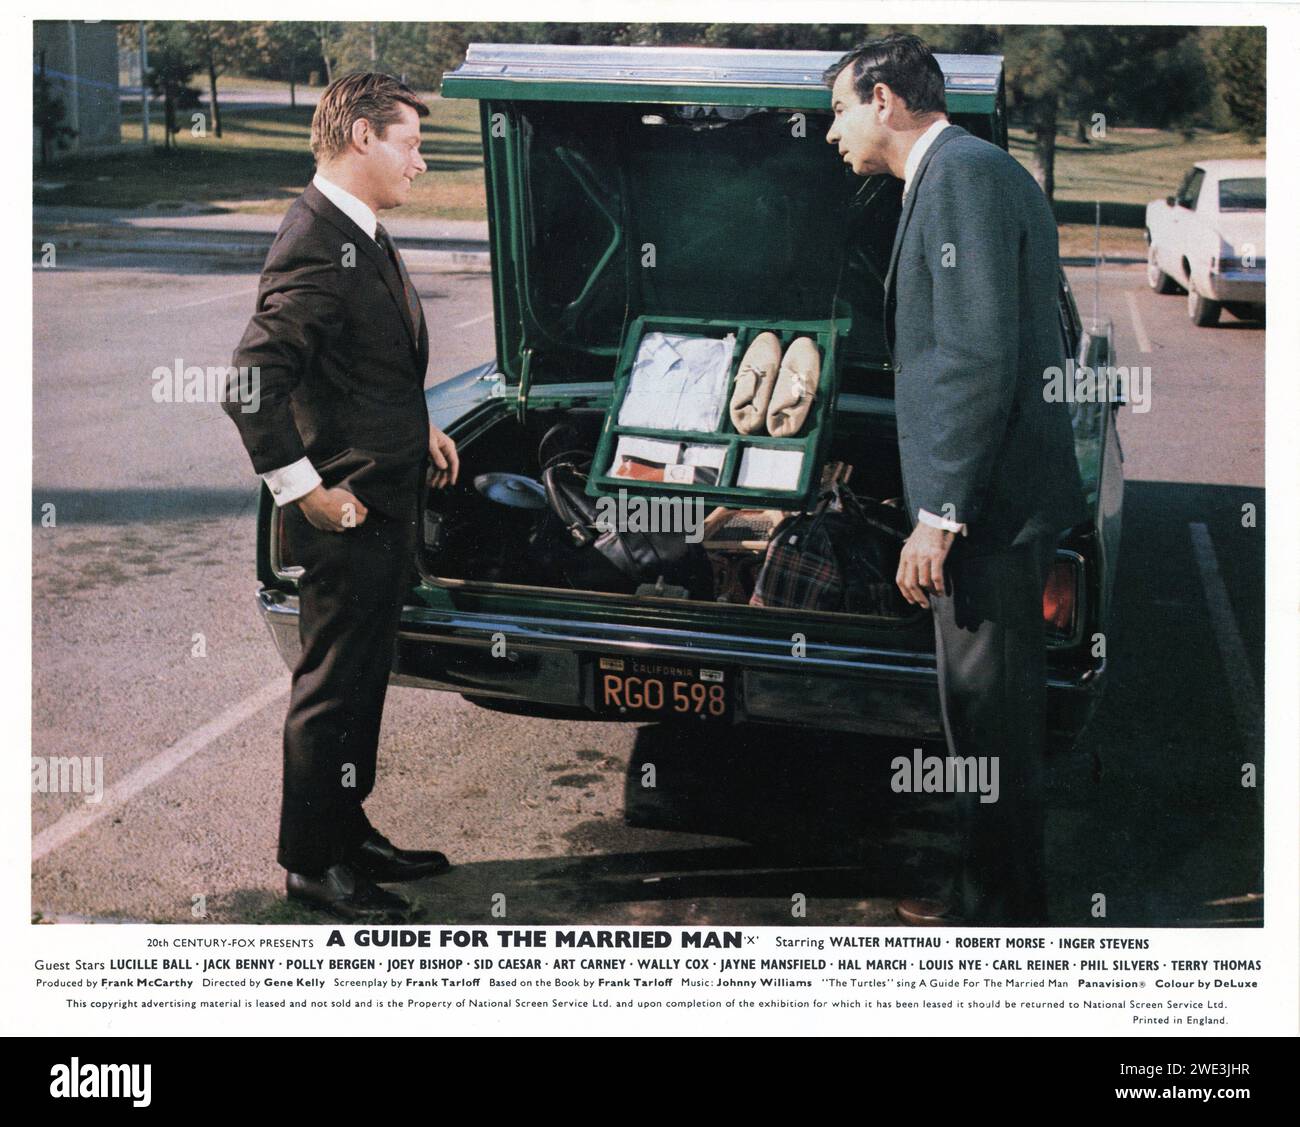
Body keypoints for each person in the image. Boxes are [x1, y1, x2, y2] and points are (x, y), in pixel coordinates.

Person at [823, 35, 1089, 925]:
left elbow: (976, 356)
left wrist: (939, 516)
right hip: (992, 504)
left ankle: (999, 918)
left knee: (988, 719)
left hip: (988, 512)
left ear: (886, 100)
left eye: (839, 110)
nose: (833, 134)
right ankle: (992, 895)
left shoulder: (962, 178)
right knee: (984, 719)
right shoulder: (964, 171)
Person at [223, 72, 460, 921]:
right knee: (330, 688)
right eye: (410, 142)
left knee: (363, 681)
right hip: (345, 512)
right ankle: (313, 865)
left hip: (382, 495)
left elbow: (365, 363)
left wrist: (416, 428)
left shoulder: (357, 227)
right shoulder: (318, 239)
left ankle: (348, 831)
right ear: (362, 138)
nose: (421, 162)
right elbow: (253, 382)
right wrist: (305, 494)